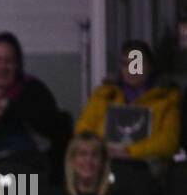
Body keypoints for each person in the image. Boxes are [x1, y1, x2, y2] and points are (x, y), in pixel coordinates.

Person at [0, 31, 69, 176]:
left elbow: (53, 136)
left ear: (17, 64)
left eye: (8, 61)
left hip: (26, 172)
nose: (2, 67)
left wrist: (11, 109)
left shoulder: (33, 91)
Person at [75, 39, 181, 171]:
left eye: (137, 63)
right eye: (126, 64)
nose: (131, 69)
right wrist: (103, 149)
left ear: (150, 66)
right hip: (103, 165)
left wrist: (129, 152)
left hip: (147, 170)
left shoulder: (166, 99)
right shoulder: (103, 95)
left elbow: (168, 142)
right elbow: (83, 132)